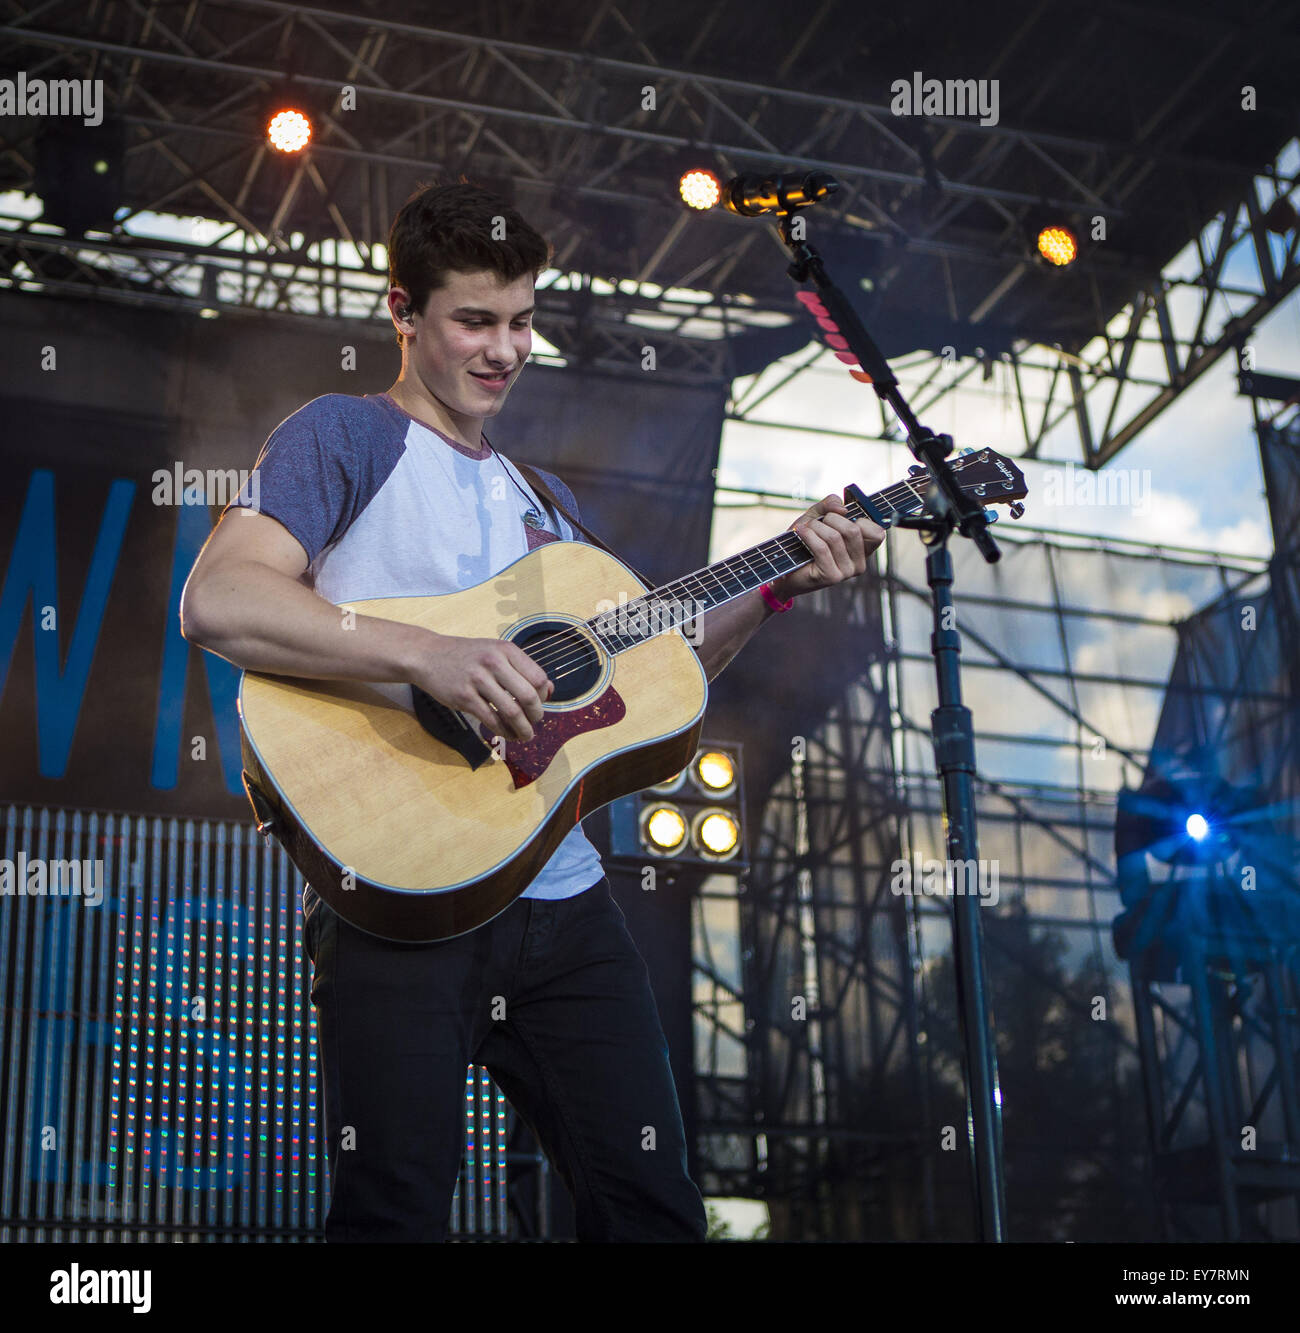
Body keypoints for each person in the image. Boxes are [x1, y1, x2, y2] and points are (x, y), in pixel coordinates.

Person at [179, 180, 885, 1242]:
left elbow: (667, 667)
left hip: (565, 906)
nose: (504, 349)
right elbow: (219, 598)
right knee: (395, 1211)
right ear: (403, 313)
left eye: (520, 321)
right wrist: (430, 654)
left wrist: (782, 578)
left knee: (652, 1210)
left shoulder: (547, 506)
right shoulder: (344, 438)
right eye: (473, 320)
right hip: (397, 896)